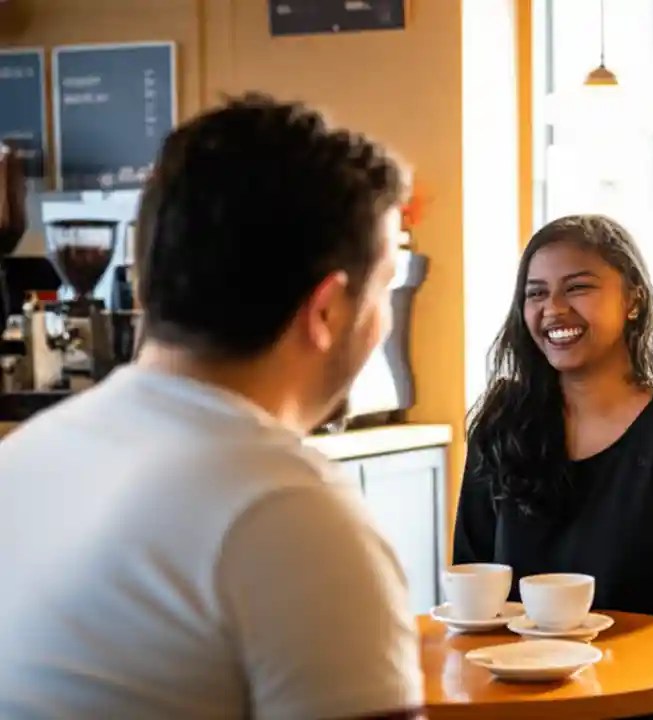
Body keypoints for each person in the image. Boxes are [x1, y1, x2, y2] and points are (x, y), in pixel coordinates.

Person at [0, 95, 425, 719]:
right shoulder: (286, 513)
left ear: (147, 279)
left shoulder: (26, 459)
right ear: (328, 309)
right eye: (386, 284)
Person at [453, 214, 653, 720]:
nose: (553, 310)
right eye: (536, 293)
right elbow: (475, 593)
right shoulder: (502, 429)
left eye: (578, 287)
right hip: (525, 708)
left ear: (633, 299)